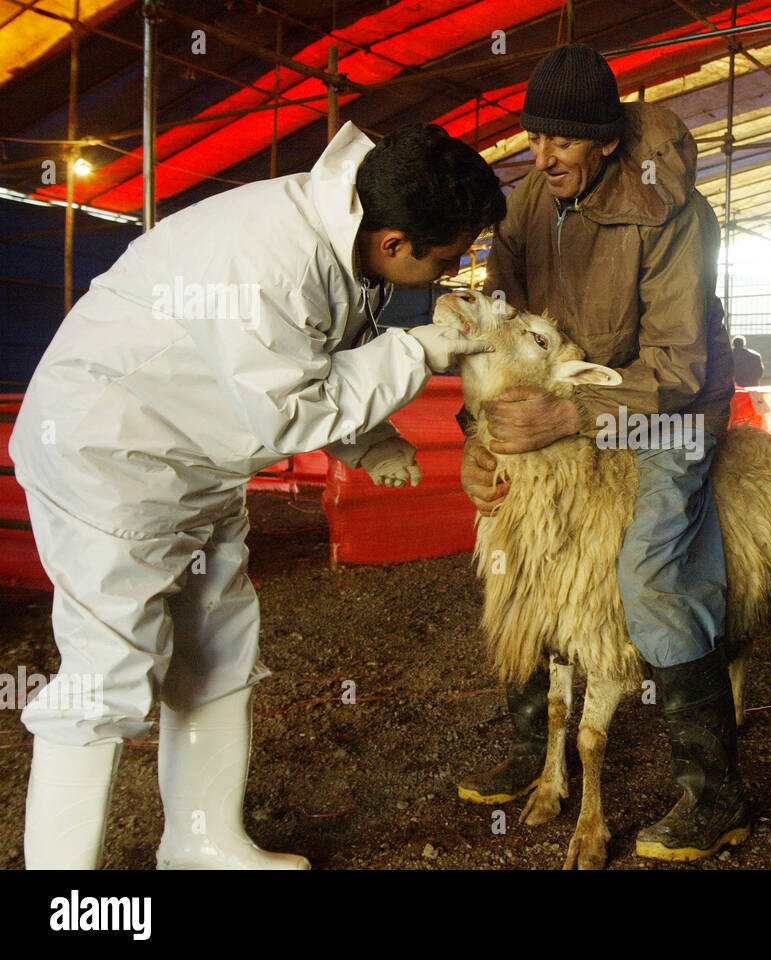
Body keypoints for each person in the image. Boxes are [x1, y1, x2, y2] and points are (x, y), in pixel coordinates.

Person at [11, 121, 506, 869]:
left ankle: (201, 842)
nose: (456, 268)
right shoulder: (269, 257)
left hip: (194, 458)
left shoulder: (339, 238)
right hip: (109, 458)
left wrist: (368, 439)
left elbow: (294, 364)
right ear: (396, 243)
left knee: (216, 652)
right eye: (447, 257)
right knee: (107, 674)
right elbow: (283, 411)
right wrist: (417, 350)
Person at [455, 44, 744, 861]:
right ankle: (532, 753)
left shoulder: (674, 212)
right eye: (532, 139)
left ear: (606, 141)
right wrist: (478, 439)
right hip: (560, 399)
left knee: (648, 570)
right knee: (515, 551)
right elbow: (496, 334)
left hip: (666, 410)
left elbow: (681, 366)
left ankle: (714, 793)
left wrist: (571, 411)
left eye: (562, 144)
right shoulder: (527, 203)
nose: (541, 157)